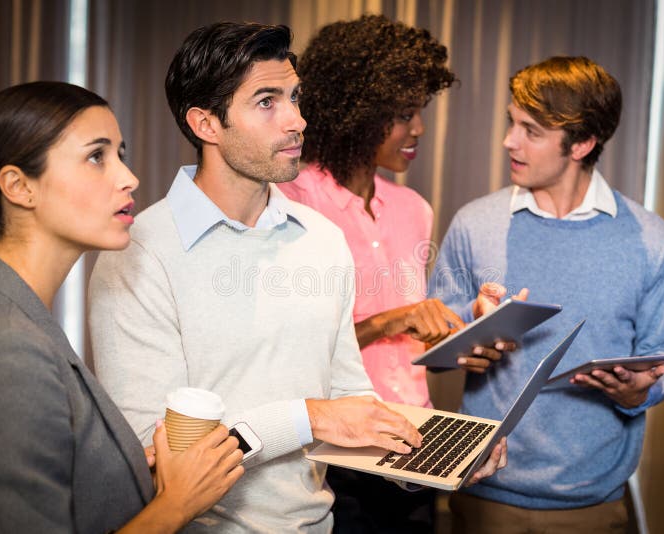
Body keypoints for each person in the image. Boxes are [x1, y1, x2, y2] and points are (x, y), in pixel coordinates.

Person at [88, 22, 505, 532]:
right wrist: (307, 416)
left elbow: (351, 399)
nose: (297, 120)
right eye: (267, 101)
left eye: (295, 97)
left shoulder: (322, 238)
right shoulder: (139, 255)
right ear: (206, 124)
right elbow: (155, 454)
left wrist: (433, 460)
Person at [0, 81, 244, 533]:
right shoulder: (7, 345)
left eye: (121, 153)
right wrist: (176, 505)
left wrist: (126, 473)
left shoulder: (14, 311)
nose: (128, 177)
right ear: (18, 186)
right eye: (97, 156)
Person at [428, 56, 664, 533]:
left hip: (594, 504)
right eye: (512, 122)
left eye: (531, 129)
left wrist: (639, 391)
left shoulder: (652, 239)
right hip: (484, 492)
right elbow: (433, 344)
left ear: (582, 143)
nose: (509, 140)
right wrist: (471, 330)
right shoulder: (474, 222)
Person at [278, 14, 509, 533]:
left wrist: (463, 334)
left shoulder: (414, 209)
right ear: (357, 113)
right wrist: (393, 318)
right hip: (338, 460)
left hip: (414, 445)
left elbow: (412, 349)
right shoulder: (291, 204)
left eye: (420, 112)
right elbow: (290, 354)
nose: (419, 129)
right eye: (404, 114)